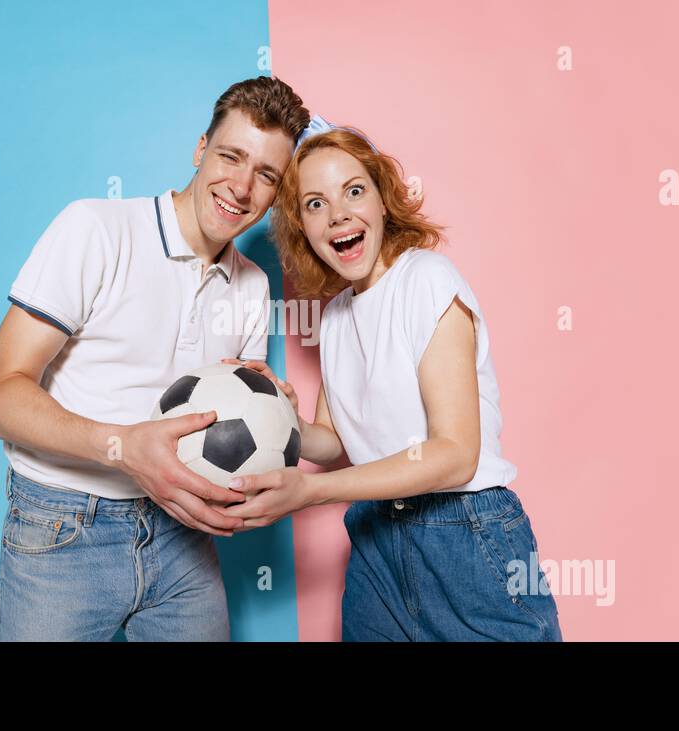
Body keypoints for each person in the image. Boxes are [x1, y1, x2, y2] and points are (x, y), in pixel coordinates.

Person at [0, 77, 310, 641]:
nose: (243, 187)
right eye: (231, 156)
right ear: (201, 148)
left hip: (182, 536)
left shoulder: (252, 285)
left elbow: (235, 423)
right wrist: (123, 446)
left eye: (267, 175)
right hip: (63, 527)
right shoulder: (96, 229)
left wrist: (277, 414)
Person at [221, 119, 563, 641]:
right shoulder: (334, 316)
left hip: (463, 532)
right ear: (302, 228)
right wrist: (278, 412)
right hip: (376, 541)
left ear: (382, 200)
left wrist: (310, 493)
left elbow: (453, 454)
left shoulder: (426, 279)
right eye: (315, 204)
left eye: (353, 191)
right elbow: (332, 439)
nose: (338, 215)